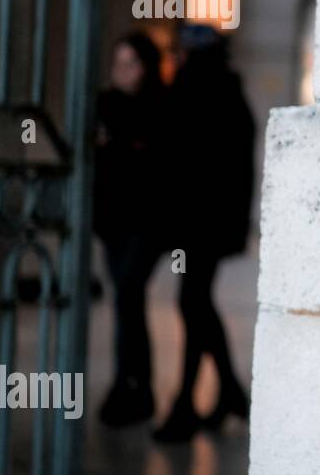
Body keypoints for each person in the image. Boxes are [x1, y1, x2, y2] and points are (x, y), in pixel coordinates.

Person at [152, 22, 254, 443]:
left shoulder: (197, 87)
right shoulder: (227, 89)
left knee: (192, 302)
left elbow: (181, 159)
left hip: (199, 223)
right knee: (196, 303)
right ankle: (227, 392)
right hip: (210, 223)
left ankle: (190, 405)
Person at [93, 31, 170, 426]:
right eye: (117, 64)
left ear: (146, 67)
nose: (122, 72)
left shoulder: (160, 106)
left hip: (146, 224)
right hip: (111, 223)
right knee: (127, 301)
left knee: (127, 295)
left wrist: (119, 145)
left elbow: (157, 165)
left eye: (131, 64)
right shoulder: (103, 104)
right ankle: (135, 386)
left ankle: (132, 386)